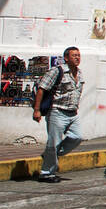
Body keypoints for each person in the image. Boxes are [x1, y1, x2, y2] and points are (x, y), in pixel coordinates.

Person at [34, 46, 84, 183]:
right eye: (74, 55)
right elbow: (41, 89)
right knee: (53, 143)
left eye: (79, 55)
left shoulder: (79, 74)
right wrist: (37, 110)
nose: (77, 58)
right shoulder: (57, 71)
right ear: (66, 58)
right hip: (57, 111)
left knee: (77, 137)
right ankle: (46, 173)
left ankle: (50, 155)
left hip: (72, 113)